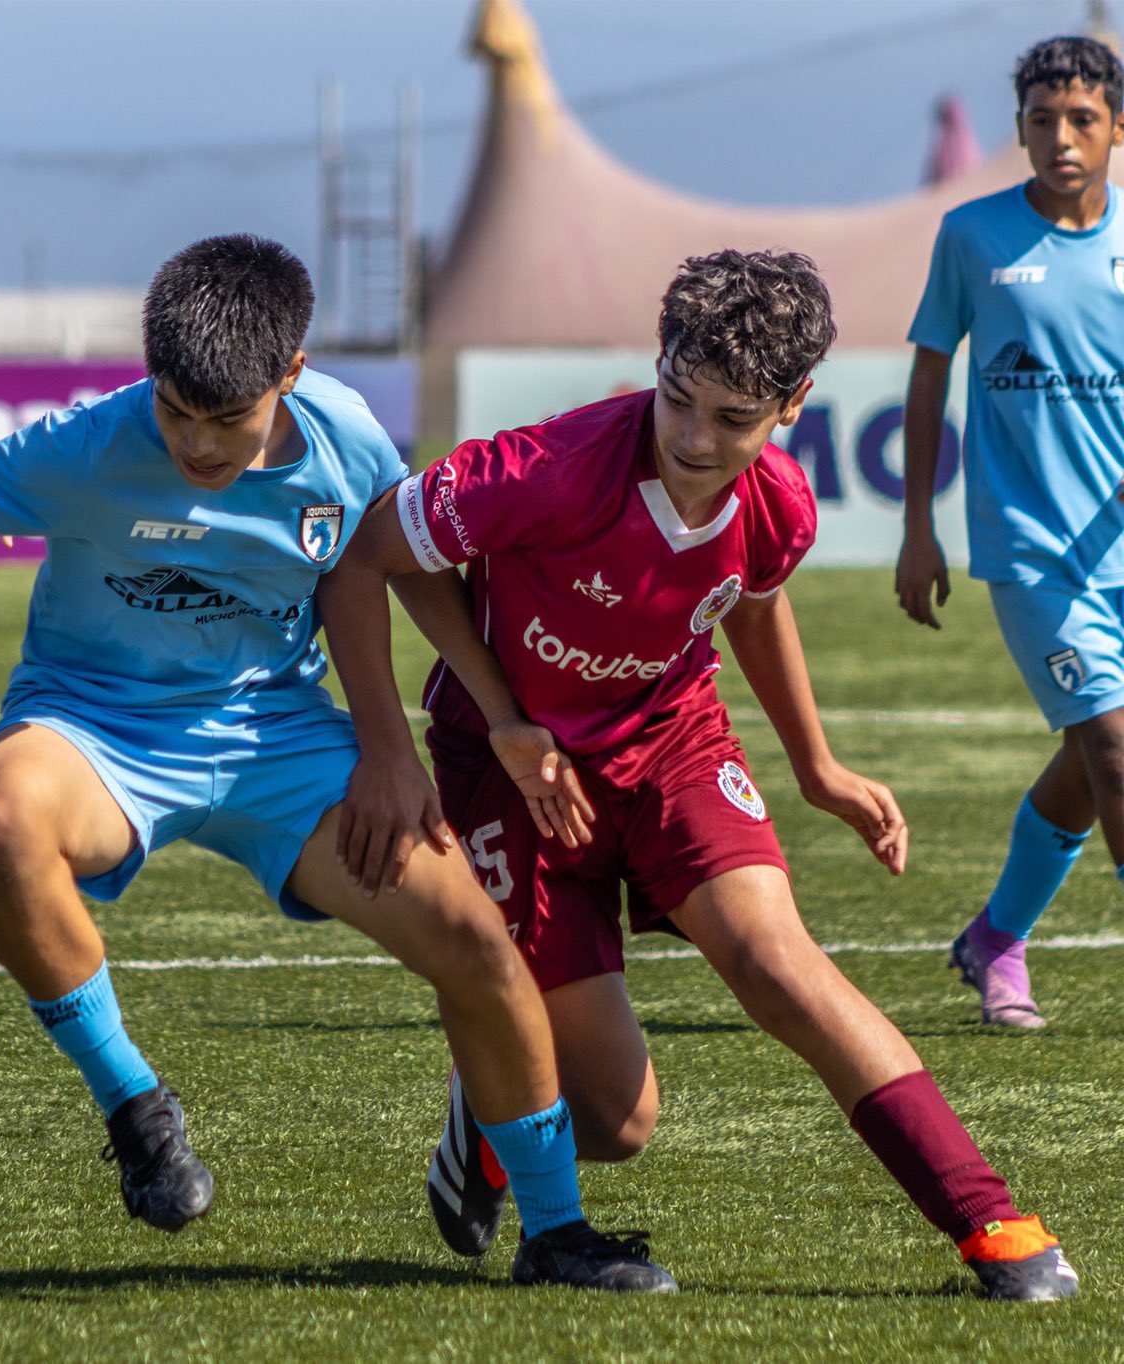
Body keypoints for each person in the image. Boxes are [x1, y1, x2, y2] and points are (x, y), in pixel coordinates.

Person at [0, 234, 675, 1292]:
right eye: (176, 411)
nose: (195, 442)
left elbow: (399, 568)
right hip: (95, 727)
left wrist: (432, 736)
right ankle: (135, 1107)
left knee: (473, 938)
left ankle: (556, 1232)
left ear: (290, 374)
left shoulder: (349, 443)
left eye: (225, 419)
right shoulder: (94, 441)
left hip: (278, 734)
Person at [328, 249, 1078, 1301]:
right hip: (510, 774)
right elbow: (368, 555)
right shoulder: (544, 467)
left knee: (779, 964)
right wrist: (478, 726)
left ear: (792, 404)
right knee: (618, 1121)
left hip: (671, 742)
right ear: (659, 358)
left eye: (732, 418)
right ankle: (495, 1090)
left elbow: (752, 602)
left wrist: (816, 766)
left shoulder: (780, 505)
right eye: (677, 398)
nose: (692, 437)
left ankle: (991, 1223)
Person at [897, 35, 1124, 1030]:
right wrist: (917, 527)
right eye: (1041, 120)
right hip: (1031, 549)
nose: (1061, 137)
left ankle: (994, 937)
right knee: (1113, 747)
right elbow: (928, 373)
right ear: (1020, 129)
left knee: (1091, 757)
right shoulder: (972, 235)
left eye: (1082, 118)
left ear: (1117, 128)